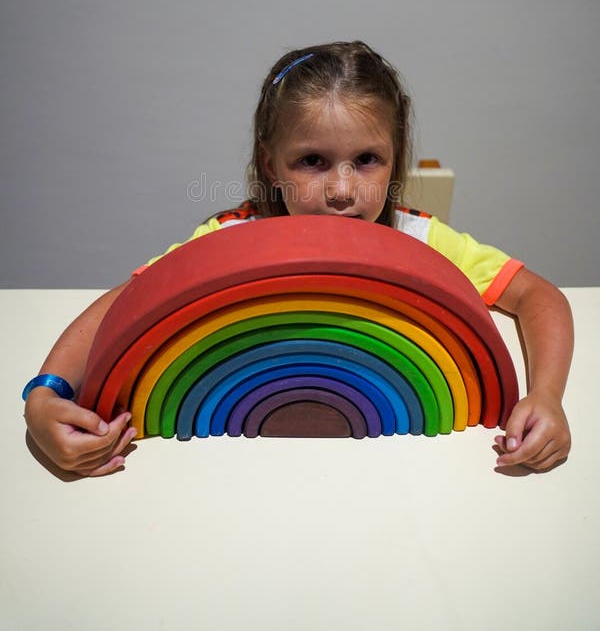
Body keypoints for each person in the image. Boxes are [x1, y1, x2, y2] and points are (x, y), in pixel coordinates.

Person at [23, 41, 573, 477]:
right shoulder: (231, 238)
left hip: (400, 473)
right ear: (271, 163)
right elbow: (128, 299)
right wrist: (45, 397)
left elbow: (536, 294)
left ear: (394, 161)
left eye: (366, 160)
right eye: (312, 160)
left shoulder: (421, 239)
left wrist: (546, 396)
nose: (341, 189)